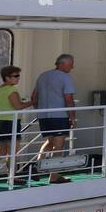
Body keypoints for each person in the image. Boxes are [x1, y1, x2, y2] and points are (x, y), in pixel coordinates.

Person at [30, 54, 76, 184]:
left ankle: (36, 167)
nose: (73, 66)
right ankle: (54, 176)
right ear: (61, 64)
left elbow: (34, 98)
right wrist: (73, 118)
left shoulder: (43, 76)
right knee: (59, 146)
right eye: (70, 63)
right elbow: (69, 99)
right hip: (59, 116)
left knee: (49, 143)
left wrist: (40, 112)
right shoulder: (65, 77)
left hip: (44, 116)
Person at [0, 66, 30, 175]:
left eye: (18, 75)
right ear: (7, 78)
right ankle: (12, 177)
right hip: (11, 123)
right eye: (15, 76)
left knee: (1, 152)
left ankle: (11, 175)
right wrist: (33, 102)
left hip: (0, 122)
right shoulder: (12, 89)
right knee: (13, 152)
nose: (18, 78)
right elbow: (18, 106)